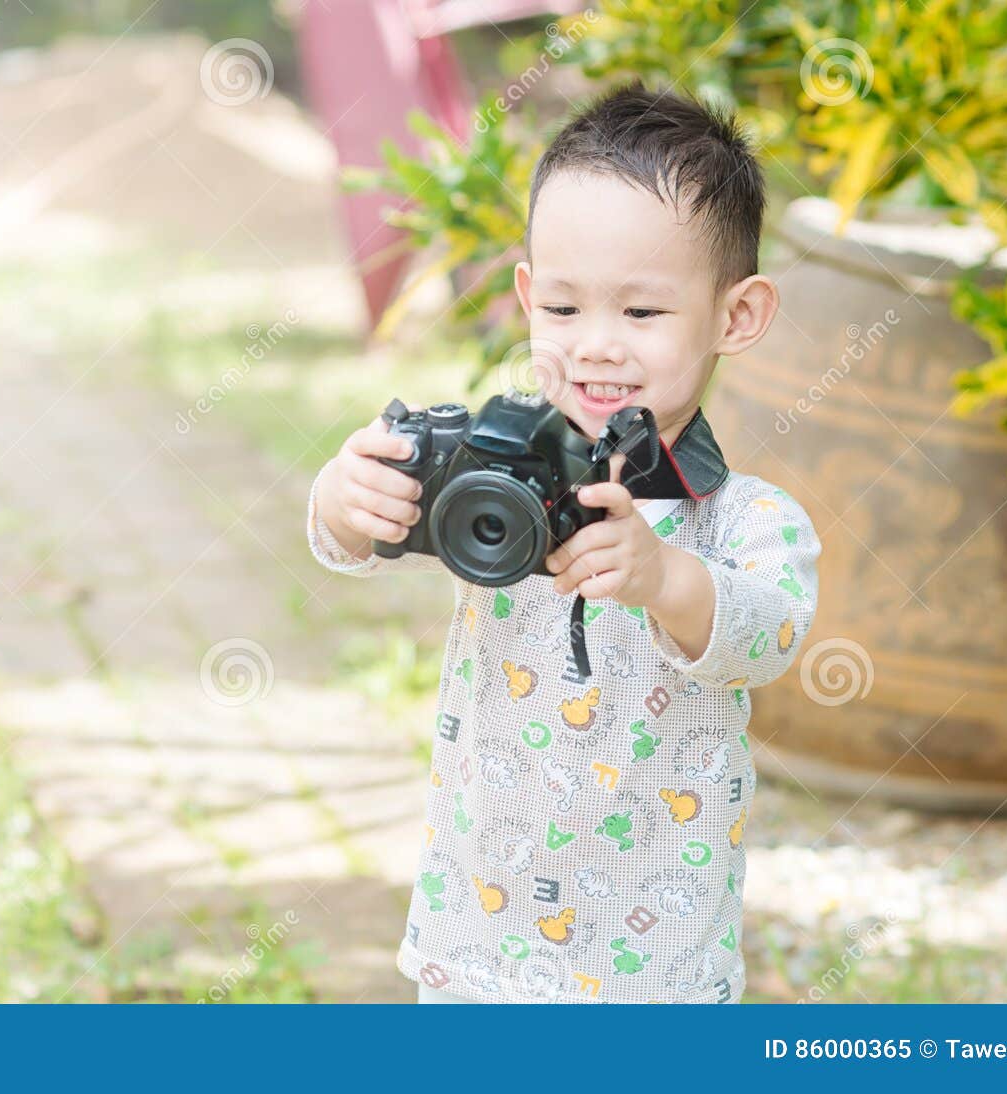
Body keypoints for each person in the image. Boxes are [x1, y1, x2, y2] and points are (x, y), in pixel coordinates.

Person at [305, 81, 821, 1003]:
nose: (596, 347)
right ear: (527, 297)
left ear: (735, 316)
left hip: (652, 959)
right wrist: (347, 498)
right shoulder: (498, 474)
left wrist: (664, 577)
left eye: (642, 313)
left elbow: (767, 636)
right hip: (478, 932)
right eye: (565, 309)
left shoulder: (745, 518)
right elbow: (350, 534)